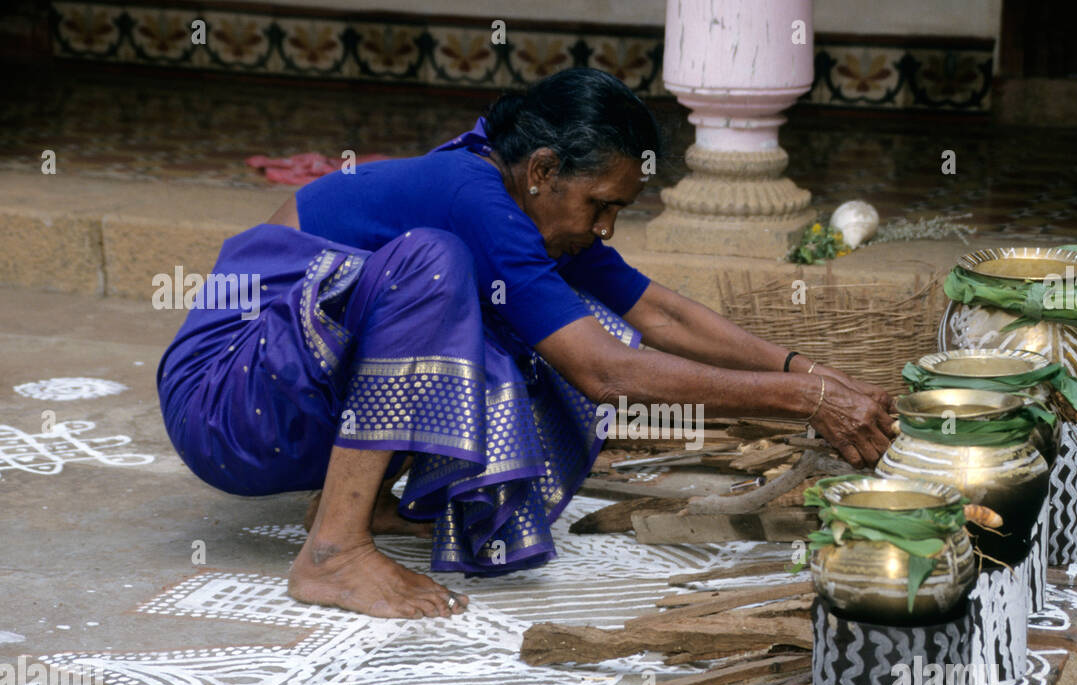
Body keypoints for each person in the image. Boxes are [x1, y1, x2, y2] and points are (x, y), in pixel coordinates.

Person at [157, 68, 894, 621]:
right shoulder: (471, 192)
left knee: (547, 313)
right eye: (601, 205)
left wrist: (808, 370)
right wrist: (805, 400)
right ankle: (332, 551)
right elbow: (603, 373)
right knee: (439, 270)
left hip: (283, 407)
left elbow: (657, 312)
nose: (605, 227)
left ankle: (361, 500)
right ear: (542, 169)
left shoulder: (529, 202)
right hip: (224, 406)